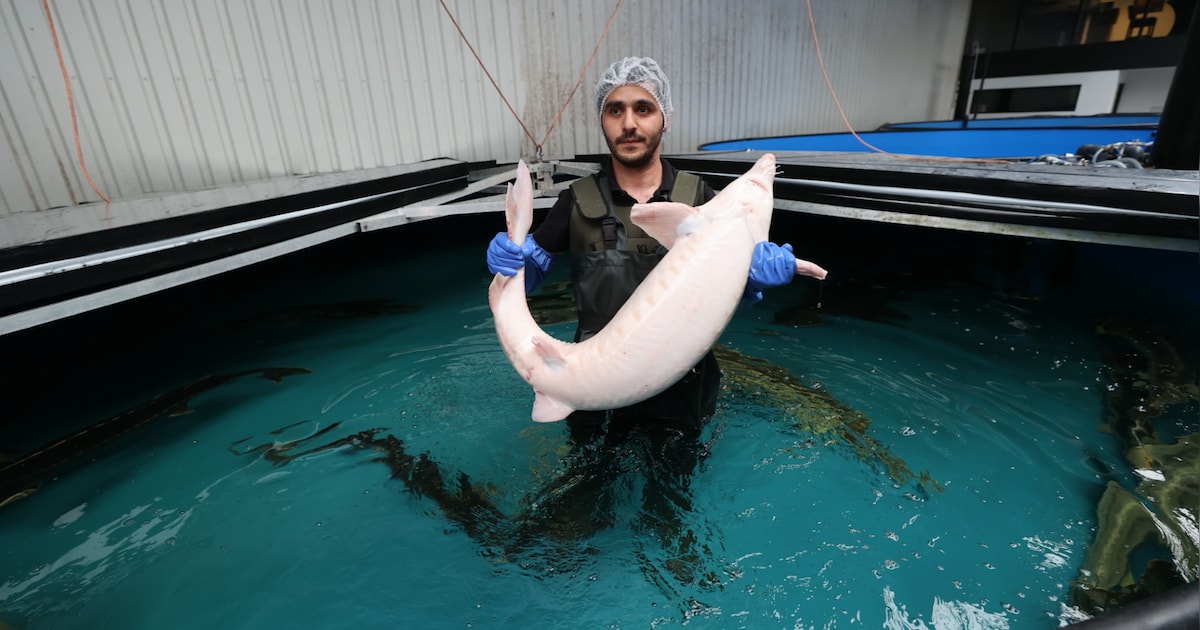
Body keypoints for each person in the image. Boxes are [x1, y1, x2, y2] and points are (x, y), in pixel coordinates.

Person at [485, 57, 819, 587]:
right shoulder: (577, 200)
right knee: (586, 489)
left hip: (682, 385)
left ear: (664, 116)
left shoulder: (701, 197)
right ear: (603, 120)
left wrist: (755, 281)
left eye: (643, 108)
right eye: (615, 110)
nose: (629, 122)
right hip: (592, 384)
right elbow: (526, 282)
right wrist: (509, 263)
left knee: (672, 493)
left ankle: (671, 557)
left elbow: (727, 304)